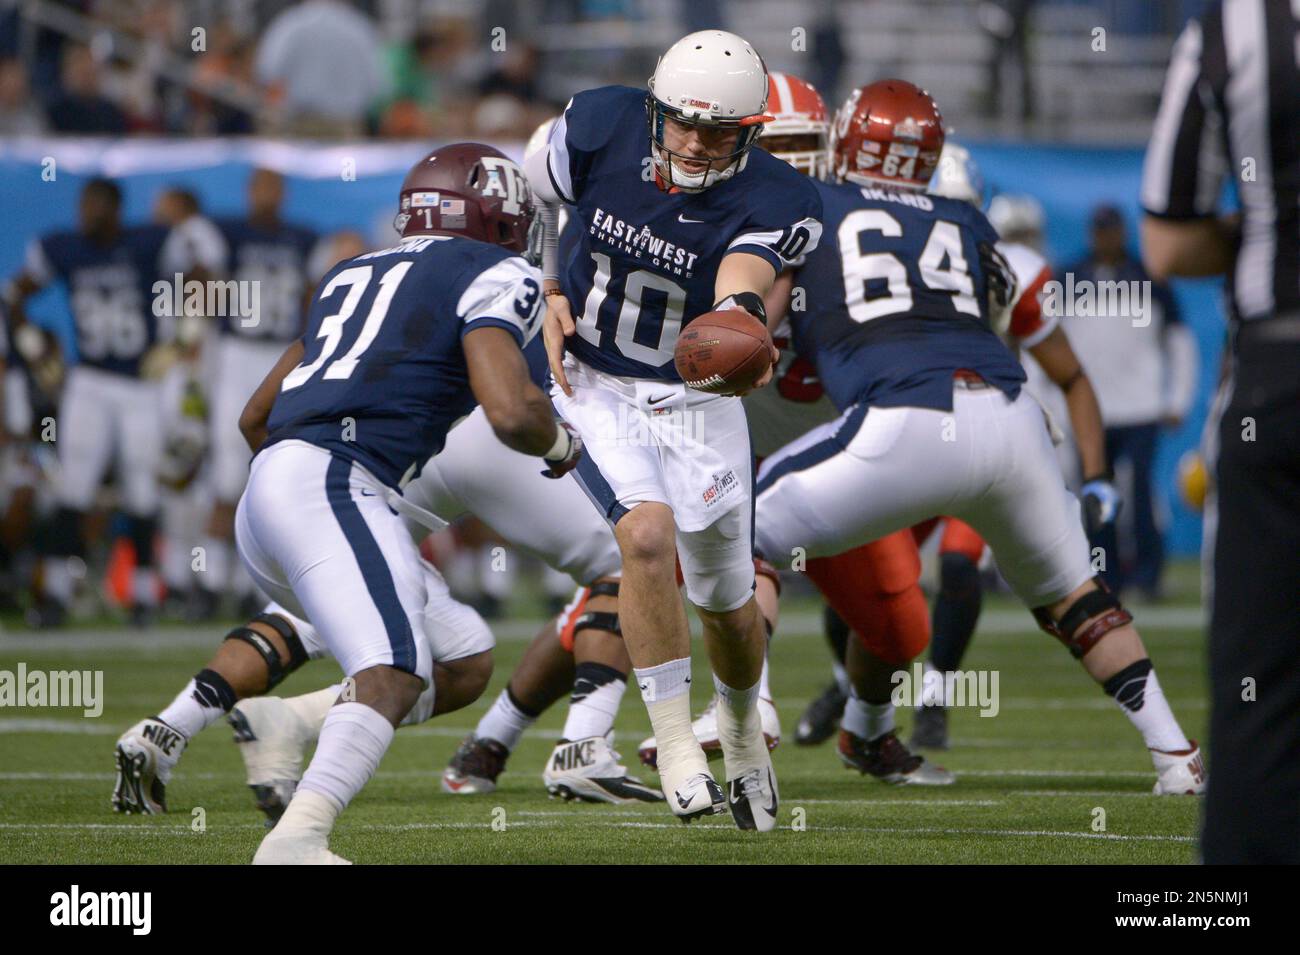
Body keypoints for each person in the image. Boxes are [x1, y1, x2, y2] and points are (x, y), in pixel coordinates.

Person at [754, 79, 1204, 796]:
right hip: (1011, 419)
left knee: (733, 525)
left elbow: (769, 307)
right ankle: (1177, 755)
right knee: (1079, 600)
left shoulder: (813, 205)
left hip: (906, 418)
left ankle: (745, 716)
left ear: (845, 140)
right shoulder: (964, 222)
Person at [527, 30, 822, 829]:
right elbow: (539, 196)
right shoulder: (596, 124)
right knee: (647, 538)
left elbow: (747, 278)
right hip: (593, 380)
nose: (696, 143)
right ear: (655, 108)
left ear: (751, 132)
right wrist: (548, 283)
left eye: (719, 131)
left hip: (696, 398)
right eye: (683, 122)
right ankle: (673, 742)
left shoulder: (779, 199)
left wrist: (740, 321)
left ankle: (737, 726)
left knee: (728, 604)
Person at [1140, 0, 1300, 863]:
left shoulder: (1238, 28)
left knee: (1260, 694)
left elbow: (1167, 244)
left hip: (1281, 373)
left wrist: (1268, 226)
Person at [4, 178, 205, 626]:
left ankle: (143, 596)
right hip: (90, 381)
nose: (86, 213)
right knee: (73, 486)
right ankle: (54, 594)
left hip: (140, 383)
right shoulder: (64, 246)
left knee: (141, 492)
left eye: (95, 205)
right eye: (83, 204)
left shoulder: (148, 242)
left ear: (115, 209)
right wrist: (30, 340)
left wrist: (184, 334)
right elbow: (14, 293)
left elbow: (201, 277)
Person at [1061, 204, 1196, 597]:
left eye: (1111, 230)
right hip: (1090, 408)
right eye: (1099, 231)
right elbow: (1049, 343)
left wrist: (1178, 399)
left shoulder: (1149, 278)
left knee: (1137, 493)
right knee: (1096, 494)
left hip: (1140, 406)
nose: (1106, 238)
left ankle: (1147, 577)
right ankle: (1106, 574)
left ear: (1122, 232)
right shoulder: (1070, 277)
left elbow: (1179, 343)